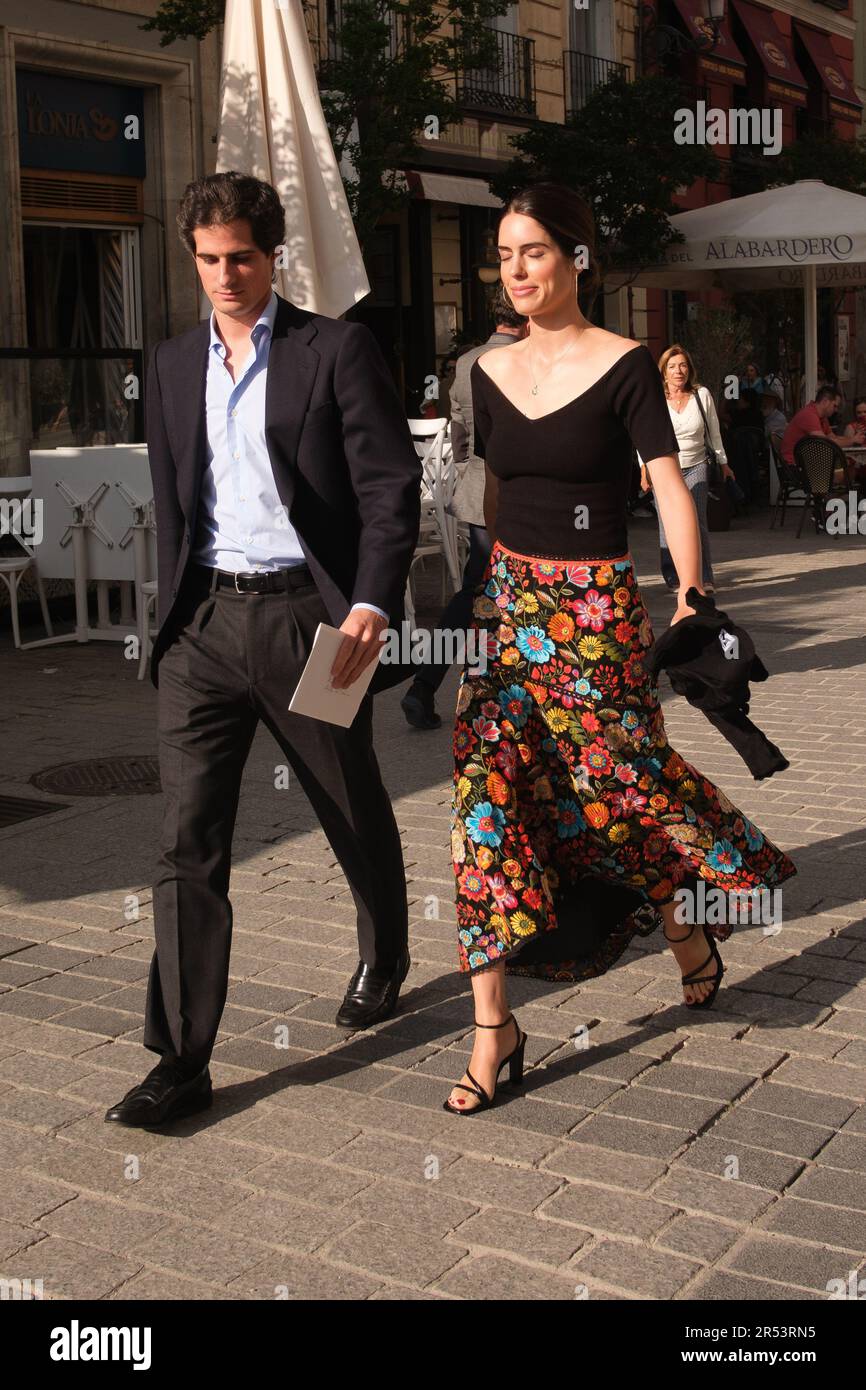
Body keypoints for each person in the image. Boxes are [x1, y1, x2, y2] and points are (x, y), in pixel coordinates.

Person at [445, 182, 796, 1115]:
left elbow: (669, 489)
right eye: (506, 255)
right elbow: (493, 498)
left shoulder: (629, 365)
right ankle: (495, 1031)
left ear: (577, 259)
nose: (516, 270)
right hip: (509, 610)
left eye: (535, 252)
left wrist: (693, 593)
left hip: (597, 611)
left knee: (620, 791)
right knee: (484, 801)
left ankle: (687, 929)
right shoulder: (484, 371)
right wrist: (477, 595)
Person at [106, 172, 421, 1128]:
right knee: (185, 841)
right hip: (201, 627)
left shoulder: (336, 349)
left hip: (313, 623)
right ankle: (182, 1057)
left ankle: (386, 947)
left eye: (240, 256)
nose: (224, 275)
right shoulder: (166, 365)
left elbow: (388, 489)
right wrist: (169, 614)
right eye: (207, 259)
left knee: (347, 797)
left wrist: (371, 603)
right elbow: (173, 497)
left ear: (271, 253)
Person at [401, 284, 528, 729]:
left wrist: (471, 471)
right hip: (520, 493)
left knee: (477, 590)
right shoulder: (528, 359)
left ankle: (426, 685)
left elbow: (456, 434)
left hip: (477, 489)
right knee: (509, 594)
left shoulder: (467, 361)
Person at [639, 344, 734, 596]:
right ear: (664, 371)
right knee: (666, 522)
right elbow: (644, 435)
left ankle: (704, 577)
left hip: (696, 465)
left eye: (682, 365)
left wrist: (724, 463)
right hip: (664, 468)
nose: (678, 371)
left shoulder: (701, 395)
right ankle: (673, 575)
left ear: (689, 369)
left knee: (697, 521)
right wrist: (643, 469)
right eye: (672, 367)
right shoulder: (655, 397)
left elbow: (714, 433)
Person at [782, 385, 864, 483]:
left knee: (850, 465)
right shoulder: (809, 415)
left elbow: (834, 438)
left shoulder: (822, 417)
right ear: (825, 401)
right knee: (846, 469)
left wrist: (854, 438)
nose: (836, 410)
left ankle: (846, 495)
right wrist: (853, 440)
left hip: (807, 462)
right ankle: (836, 496)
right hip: (795, 467)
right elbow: (827, 443)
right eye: (835, 406)